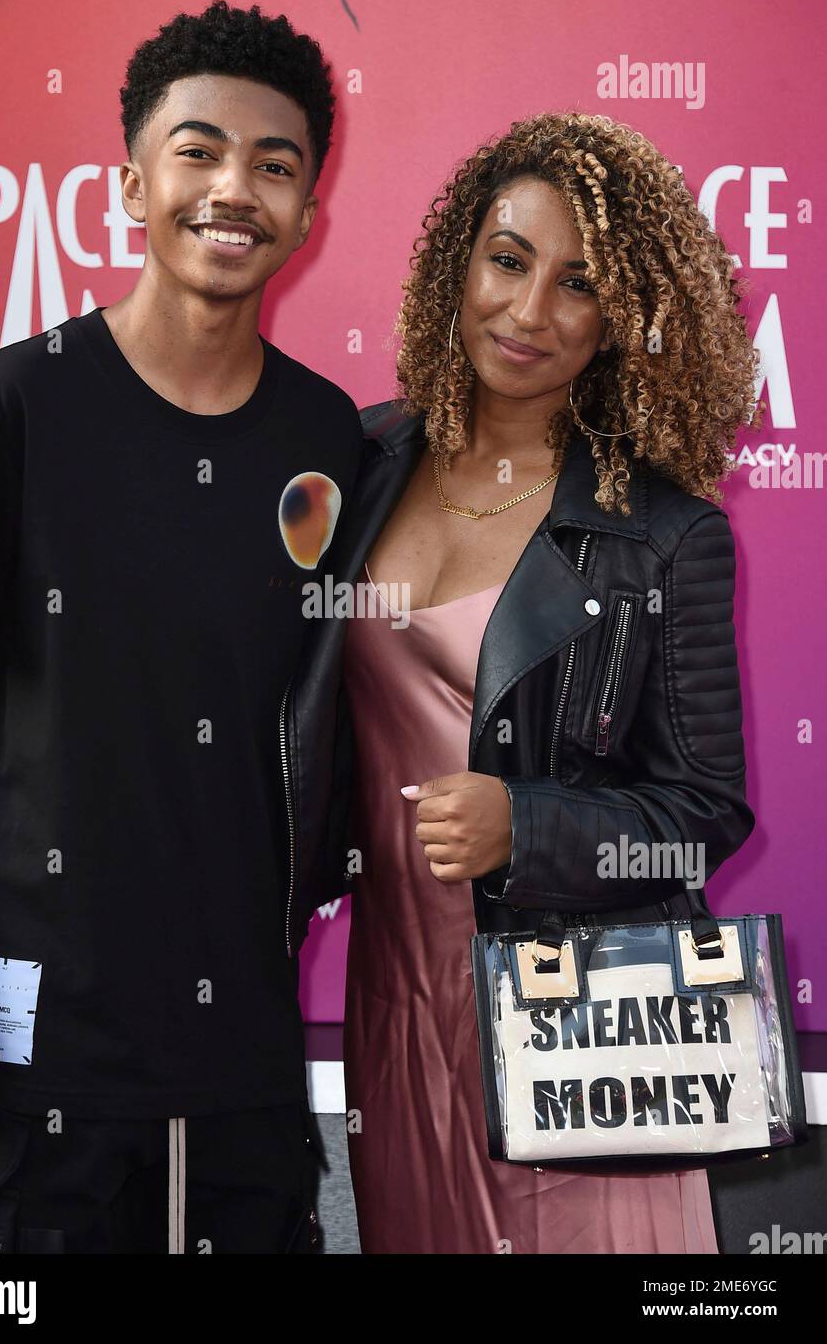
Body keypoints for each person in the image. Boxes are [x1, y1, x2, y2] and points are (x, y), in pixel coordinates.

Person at [0, 1, 363, 1254]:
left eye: (275, 166)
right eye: (198, 152)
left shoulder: (332, 441)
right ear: (131, 185)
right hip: (35, 1022)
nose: (234, 190)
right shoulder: (20, 399)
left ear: (310, 212)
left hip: (244, 1039)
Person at [333, 112, 760, 1253]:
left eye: (578, 284)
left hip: (578, 1020)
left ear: (621, 318)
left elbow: (705, 810)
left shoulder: (663, 534)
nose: (528, 313)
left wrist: (527, 822)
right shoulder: (363, 463)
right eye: (508, 260)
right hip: (398, 1005)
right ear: (458, 262)